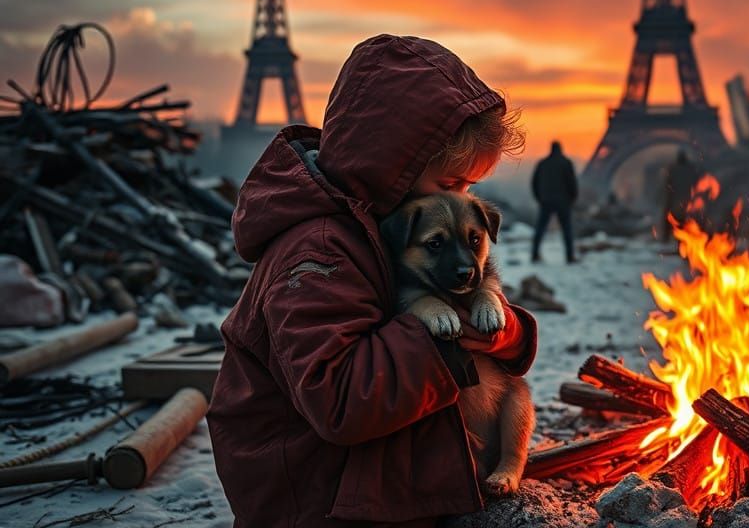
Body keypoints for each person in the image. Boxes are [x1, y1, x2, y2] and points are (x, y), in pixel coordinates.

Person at [207, 35, 537, 528]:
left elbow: (463, 323)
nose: (459, 200)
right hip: (317, 501)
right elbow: (338, 400)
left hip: (369, 485)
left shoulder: (387, 225)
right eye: (451, 185)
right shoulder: (318, 250)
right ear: (390, 167)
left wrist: (507, 332)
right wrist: (443, 342)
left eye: (470, 188)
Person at [530, 140, 577, 263]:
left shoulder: (543, 163)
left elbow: (534, 183)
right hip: (563, 201)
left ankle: (534, 255)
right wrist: (572, 199)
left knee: (540, 229)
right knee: (567, 230)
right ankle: (570, 257)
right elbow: (571, 183)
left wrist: (540, 198)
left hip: (546, 201)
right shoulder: (566, 163)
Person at [661, 149, 699, 240]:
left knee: (672, 225)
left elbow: (668, 189)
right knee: (684, 227)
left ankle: (666, 241)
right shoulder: (692, 170)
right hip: (688, 205)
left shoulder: (673, 170)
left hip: (676, 204)